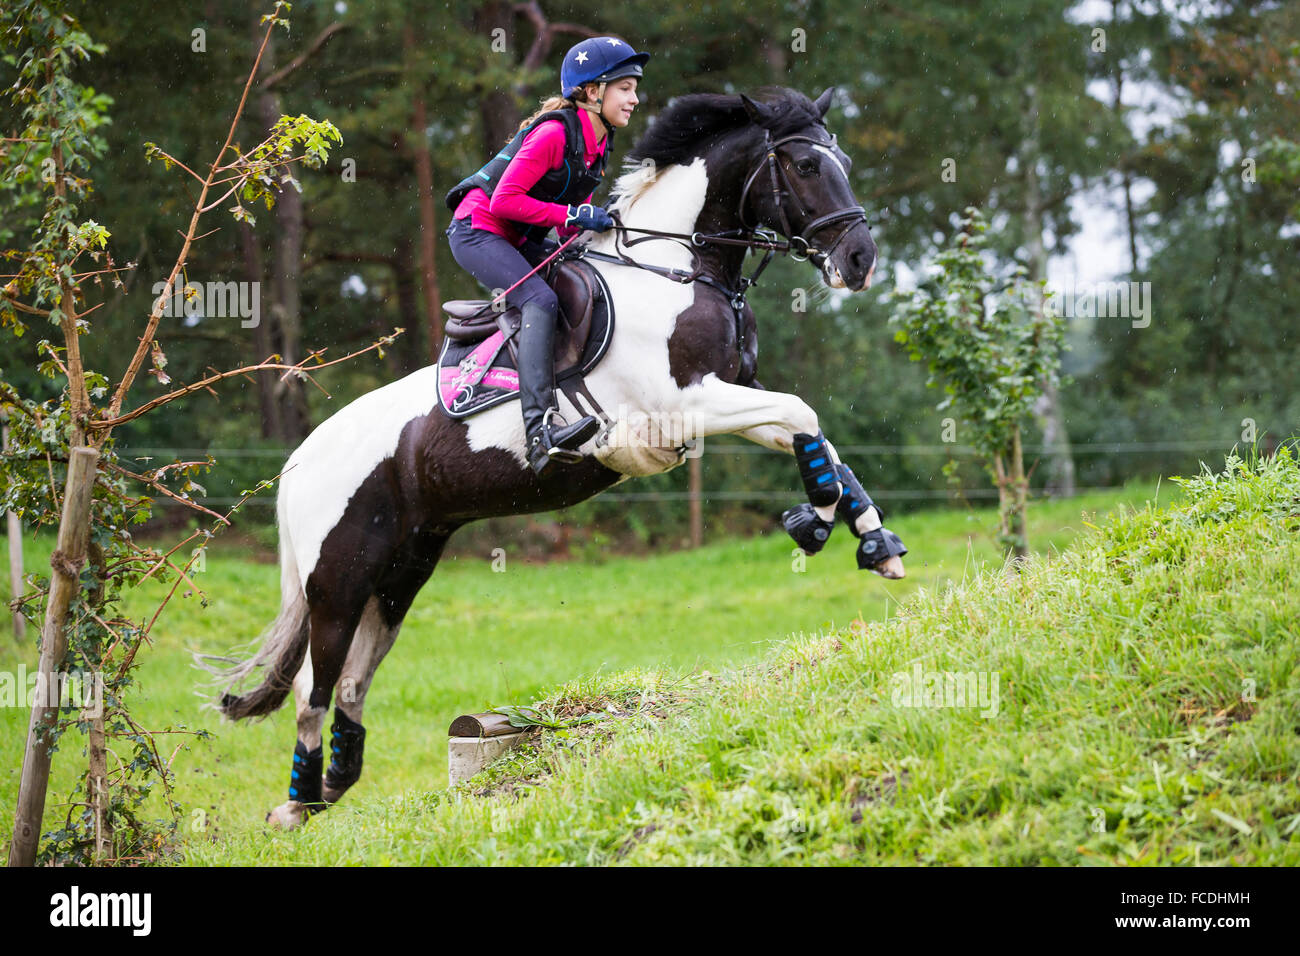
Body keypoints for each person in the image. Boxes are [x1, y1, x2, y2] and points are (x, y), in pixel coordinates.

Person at [444, 36, 649, 475]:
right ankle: (538, 432)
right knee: (540, 300)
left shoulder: (599, 140)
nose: (635, 98)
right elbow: (503, 201)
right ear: (593, 92)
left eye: (635, 88)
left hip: (522, 234)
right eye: (625, 88)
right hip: (479, 230)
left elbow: (569, 221)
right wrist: (576, 213)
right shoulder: (554, 132)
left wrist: (591, 227)